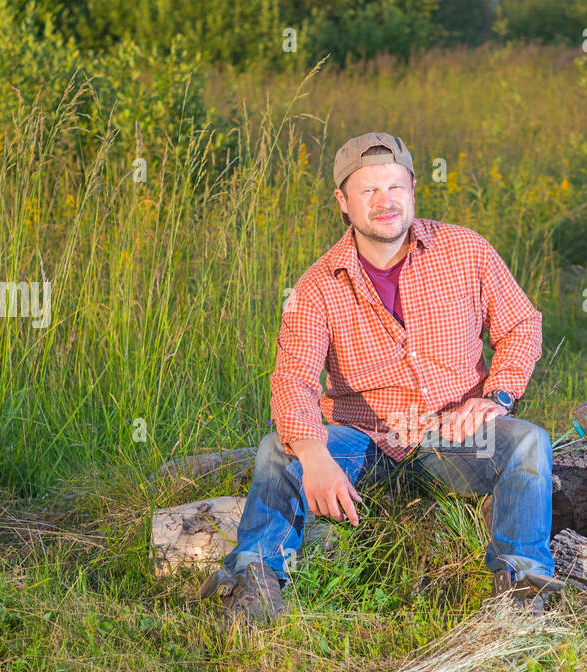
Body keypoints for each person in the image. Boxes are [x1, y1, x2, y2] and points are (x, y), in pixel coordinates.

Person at [205, 131, 559, 627]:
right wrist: (313, 455)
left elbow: (521, 325)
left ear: (413, 187)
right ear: (343, 202)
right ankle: (253, 584)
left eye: (395, 187)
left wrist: (497, 396)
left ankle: (520, 588)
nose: (385, 202)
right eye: (368, 191)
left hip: (449, 439)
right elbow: (293, 382)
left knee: (528, 444)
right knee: (276, 450)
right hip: (363, 446)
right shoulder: (317, 287)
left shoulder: (466, 252)